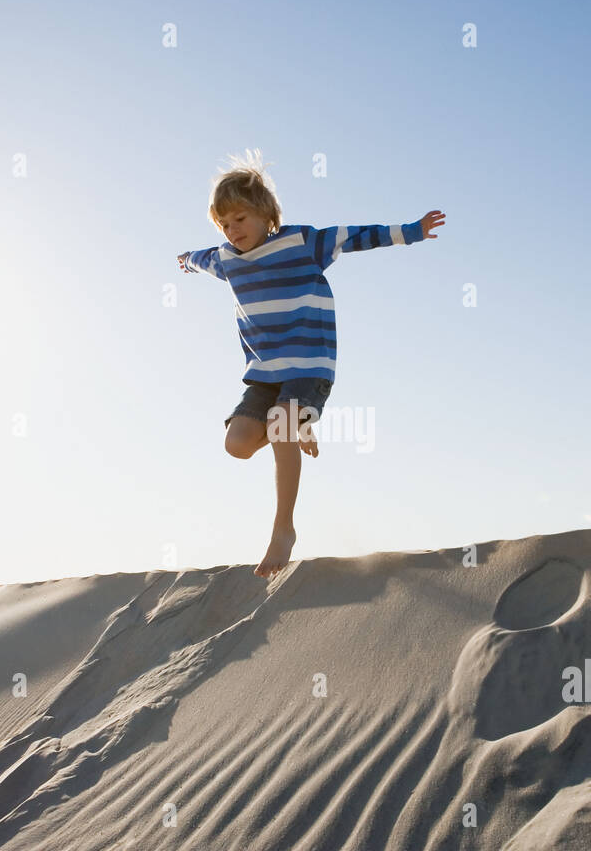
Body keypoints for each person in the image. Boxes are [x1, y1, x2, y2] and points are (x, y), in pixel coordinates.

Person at [177, 148, 446, 578]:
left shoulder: (301, 242)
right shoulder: (226, 259)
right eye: (223, 225)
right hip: (264, 375)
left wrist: (410, 231)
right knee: (238, 444)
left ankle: (283, 528)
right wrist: (187, 261)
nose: (232, 231)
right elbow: (199, 257)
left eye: (240, 220)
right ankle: (294, 425)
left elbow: (354, 235)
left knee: (282, 423)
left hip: (308, 366)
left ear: (267, 215)